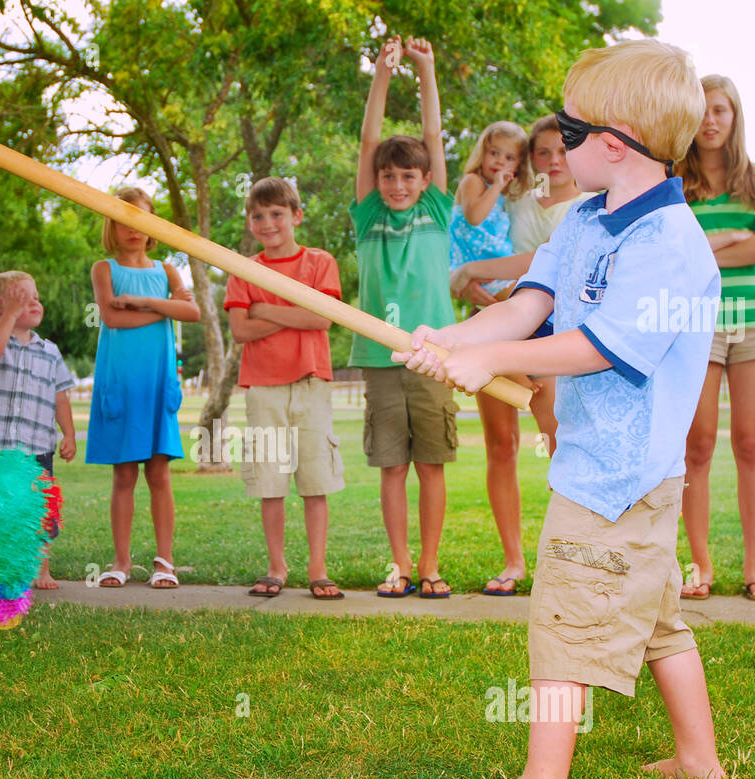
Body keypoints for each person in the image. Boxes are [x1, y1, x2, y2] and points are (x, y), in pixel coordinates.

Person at [394, 39, 726, 779]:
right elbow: (529, 303)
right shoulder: (583, 221)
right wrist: (456, 340)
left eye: (567, 134)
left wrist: (500, 361)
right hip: (605, 468)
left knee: (562, 620)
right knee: (658, 619)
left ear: (613, 145)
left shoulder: (670, 246)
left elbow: (601, 346)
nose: (557, 148)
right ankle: (698, 759)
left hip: (621, 476)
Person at [449, 116, 592, 596]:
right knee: (501, 445)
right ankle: (513, 561)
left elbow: (540, 262)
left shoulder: (588, 205)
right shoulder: (517, 200)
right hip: (502, 324)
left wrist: (474, 269)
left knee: (558, 440)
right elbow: (475, 226)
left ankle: (568, 556)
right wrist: (474, 285)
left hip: (553, 332)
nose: (553, 162)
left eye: (562, 151)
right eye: (542, 153)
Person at [351, 35, 456, 600]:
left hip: (435, 354)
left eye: (407, 177)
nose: (396, 185)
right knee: (392, 467)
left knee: (431, 466)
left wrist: (425, 68)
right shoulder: (368, 216)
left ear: (423, 181)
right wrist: (382, 74)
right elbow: (371, 139)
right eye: (388, 176)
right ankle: (400, 565)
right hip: (380, 356)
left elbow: (433, 137)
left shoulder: (437, 212)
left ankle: (432, 566)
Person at [676, 75, 755, 602]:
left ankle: (754, 567)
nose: (711, 120)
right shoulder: (674, 181)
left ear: (735, 116)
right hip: (696, 319)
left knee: (750, 443)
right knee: (696, 445)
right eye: (702, 110)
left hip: (754, 318)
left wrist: (708, 250)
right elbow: (671, 254)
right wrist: (730, 239)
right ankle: (699, 566)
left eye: (721, 110)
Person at [225, 177, 345, 600]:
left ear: (296, 216)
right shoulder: (244, 269)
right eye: (258, 215)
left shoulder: (319, 262)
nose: (267, 223)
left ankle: (318, 568)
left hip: (310, 385)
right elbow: (240, 330)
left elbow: (322, 319)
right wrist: (296, 308)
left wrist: (265, 309)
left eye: (277, 214)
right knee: (269, 484)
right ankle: (277, 567)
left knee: (315, 482)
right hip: (263, 389)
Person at [86, 187, 200, 589]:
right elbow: (113, 320)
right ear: (111, 226)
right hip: (122, 382)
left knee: (159, 473)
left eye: (141, 219)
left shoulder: (167, 270)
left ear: (152, 225)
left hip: (157, 384)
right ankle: (121, 561)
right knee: (123, 475)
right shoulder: (103, 268)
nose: (132, 228)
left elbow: (193, 311)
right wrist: (160, 310)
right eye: (122, 219)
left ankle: (164, 562)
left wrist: (141, 302)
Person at [0, 270, 77, 590]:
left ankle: (40, 569)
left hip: (37, 446)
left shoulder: (50, 352)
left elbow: (60, 396)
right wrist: (11, 316)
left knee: (40, 510)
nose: (34, 302)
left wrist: (69, 433)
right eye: (24, 297)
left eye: (36, 296)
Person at [449, 121, 532, 298]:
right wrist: (496, 186)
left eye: (509, 158)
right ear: (482, 153)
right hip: (473, 265)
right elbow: (474, 217)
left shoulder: (502, 195)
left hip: (493, 266)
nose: (500, 161)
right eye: (494, 153)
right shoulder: (473, 181)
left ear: (518, 165)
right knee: (523, 299)